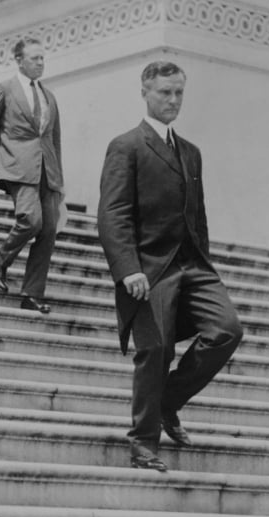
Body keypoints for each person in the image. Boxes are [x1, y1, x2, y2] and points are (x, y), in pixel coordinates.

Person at [97, 61, 243, 472]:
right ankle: (143, 442)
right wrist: (129, 269)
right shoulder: (126, 145)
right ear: (145, 92)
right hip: (149, 268)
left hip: (192, 266)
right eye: (165, 92)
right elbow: (112, 214)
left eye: (179, 92)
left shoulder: (191, 153)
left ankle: (167, 402)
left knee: (227, 330)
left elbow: (198, 216)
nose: (173, 100)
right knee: (156, 348)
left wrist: (205, 264)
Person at [0, 37, 63, 313]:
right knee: (31, 220)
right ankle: (1, 260)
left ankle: (32, 294)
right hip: (16, 166)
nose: (40, 63)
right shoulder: (5, 89)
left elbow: (54, 140)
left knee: (48, 231)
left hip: (47, 171)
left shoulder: (49, 96)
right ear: (19, 60)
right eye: (35, 58)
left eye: (42, 58)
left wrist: (60, 184)